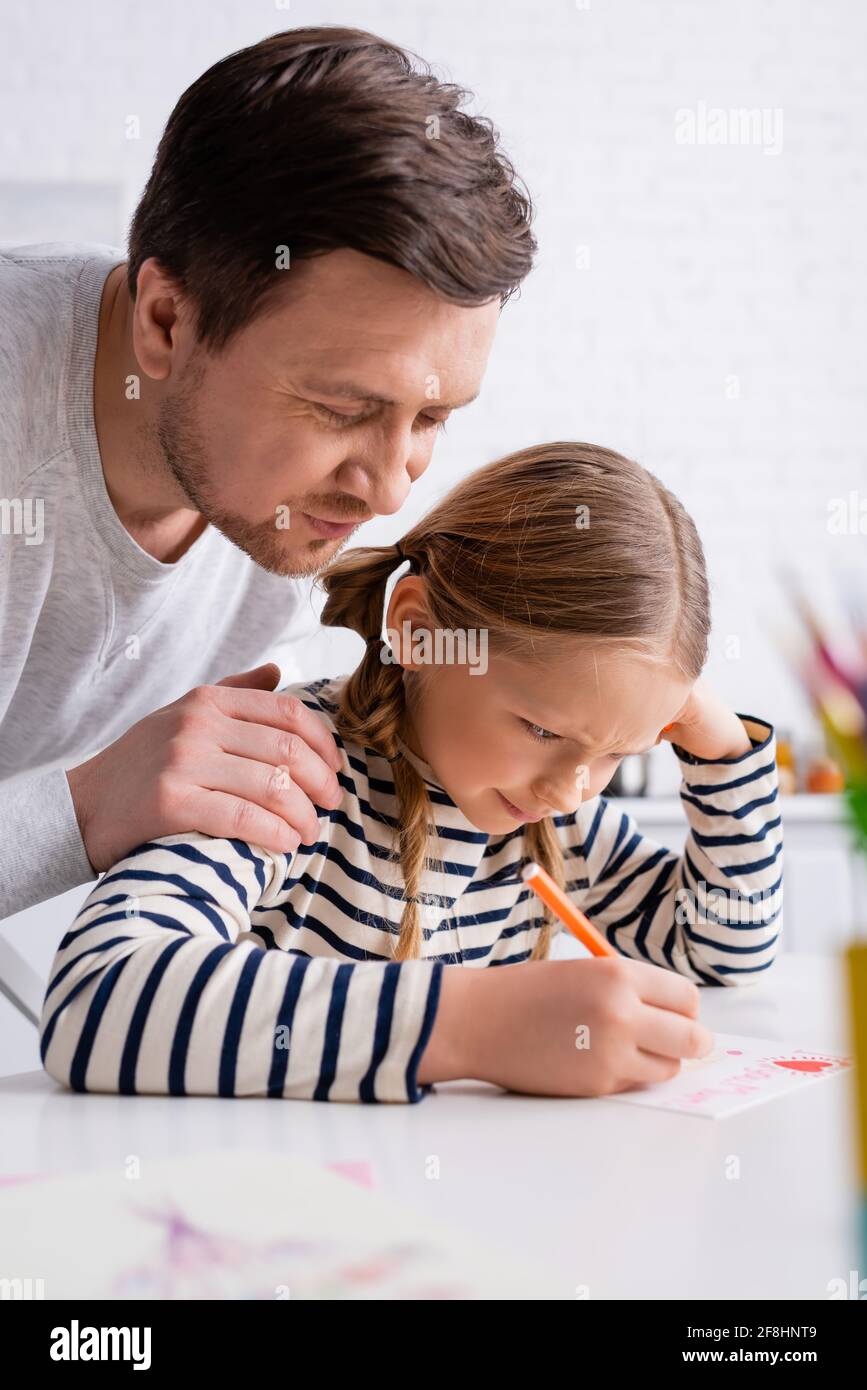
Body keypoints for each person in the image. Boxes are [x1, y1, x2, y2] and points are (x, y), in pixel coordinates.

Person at [40, 443, 782, 1103]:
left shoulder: (552, 815)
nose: (572, 787)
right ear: (419, 634)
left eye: (618, 753)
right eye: (542, 729)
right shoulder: (287, 770)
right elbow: (94, 1001)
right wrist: (473, 1026)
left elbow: (721, 947)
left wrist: (721, 757)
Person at [0, 26, 534, 918]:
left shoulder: (279, 511)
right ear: (166, 322)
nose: (388, 489)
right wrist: (90, 804)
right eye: (341, 410)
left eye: (431, 419)